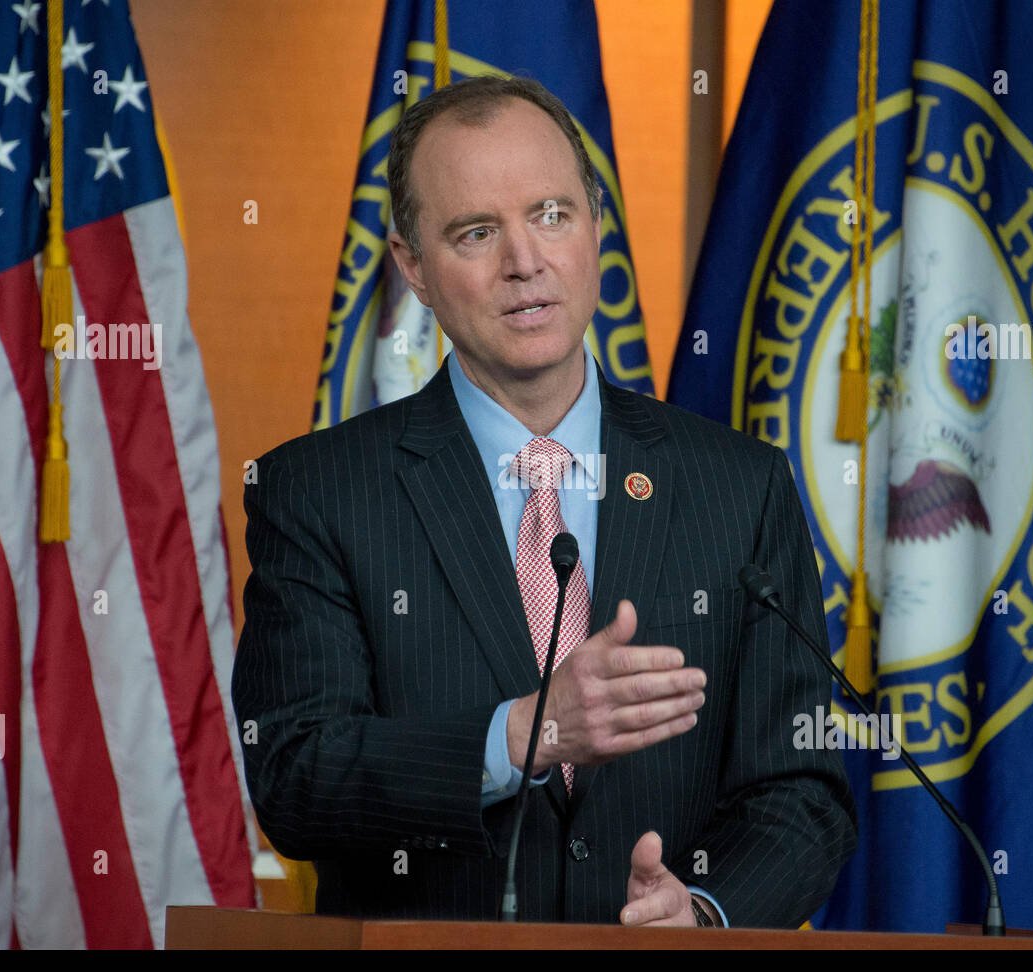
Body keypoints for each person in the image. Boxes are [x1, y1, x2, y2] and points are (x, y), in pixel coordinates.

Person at [231, 75, 857, 928]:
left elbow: (802, 791)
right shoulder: (316, 493)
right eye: (477, 232)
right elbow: (295, 777)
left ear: (596, 224)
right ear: (412, 265)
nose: (525, 262)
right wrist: (523, 734)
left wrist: (707, 912)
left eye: (553, 215)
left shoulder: (740, 485)